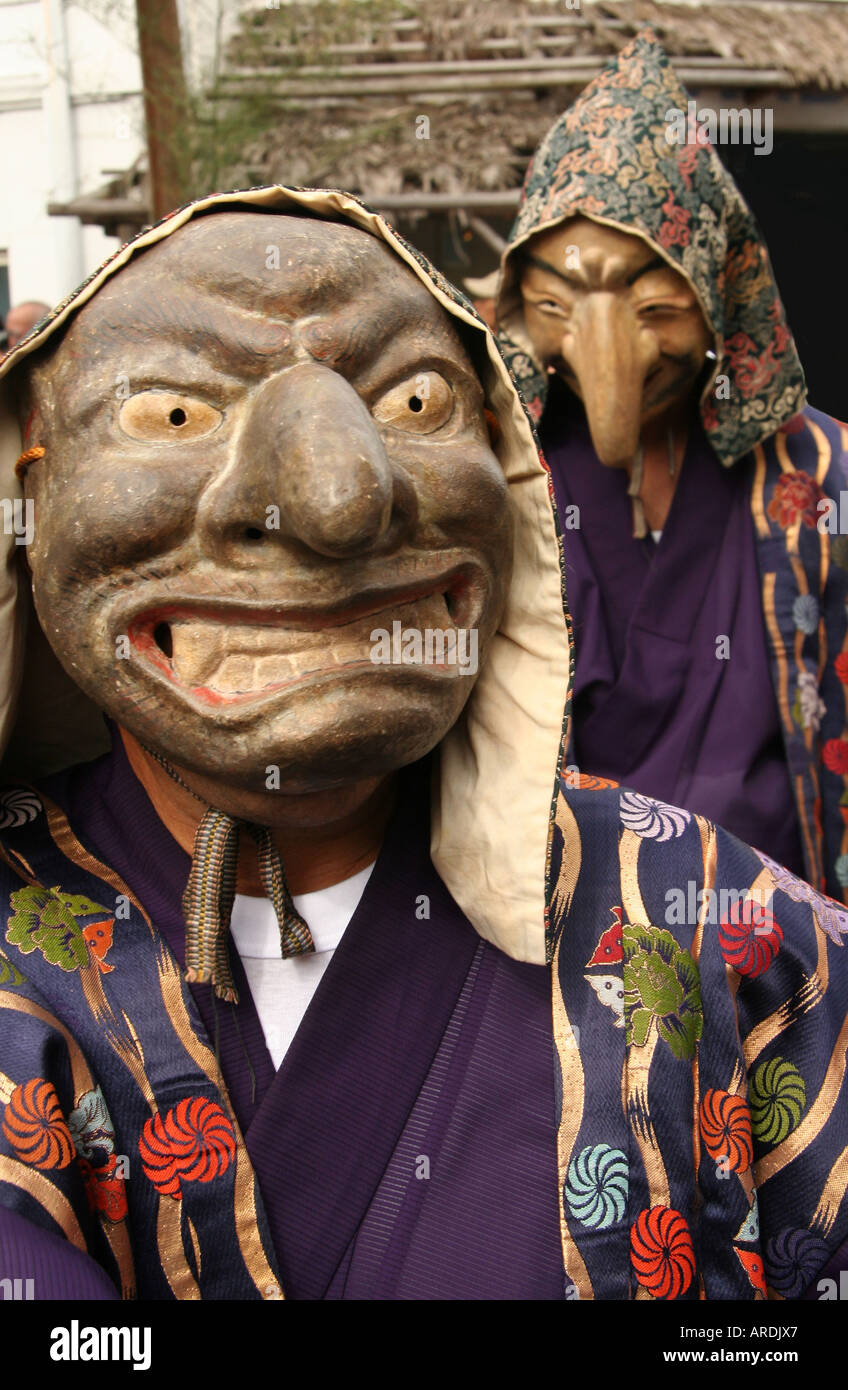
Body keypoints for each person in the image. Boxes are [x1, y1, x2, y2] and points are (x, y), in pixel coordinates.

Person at [0, 186, 846, 1301]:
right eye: (171, 415)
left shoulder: (709, 916)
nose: (340, 497)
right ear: (31, 493)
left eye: (412, 399)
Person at [496, 31, 848, 902]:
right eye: (554, 304)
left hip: (784, 939)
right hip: (567, 946)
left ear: (724, 292)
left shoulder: (822, 471)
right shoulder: (499, 481)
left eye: (658, 306)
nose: (610, 353)